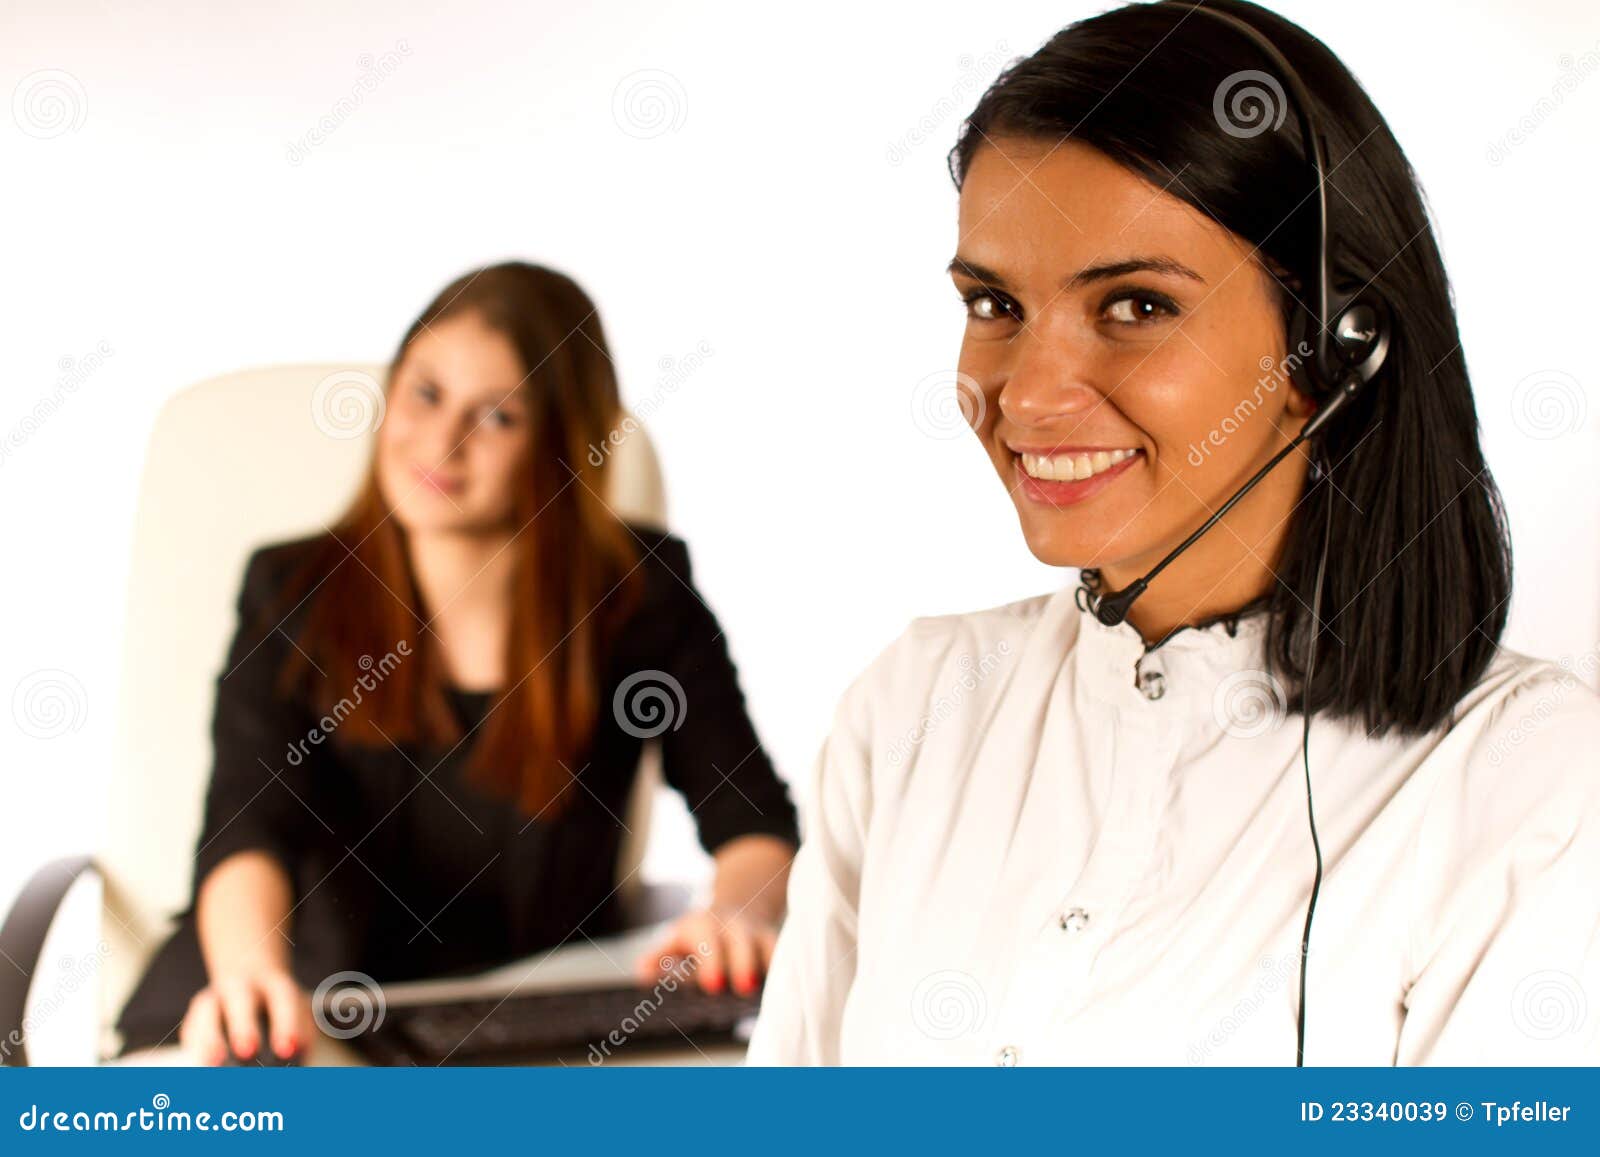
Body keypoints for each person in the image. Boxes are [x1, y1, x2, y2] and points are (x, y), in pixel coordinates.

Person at [747, 0, 1600, 1065]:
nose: (1028, 395)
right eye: (994, 303)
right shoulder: (912, 704)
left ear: (1336, 346)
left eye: (1136, 306)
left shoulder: (1526, 773)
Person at [116, 261, 799, 1064]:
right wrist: (250, 973)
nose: (442, 442)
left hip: (522, 1028)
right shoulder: (290, 589)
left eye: (498, 417)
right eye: (426, 393)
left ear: (562, 447)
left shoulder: (640, 597)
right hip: (302, 1011)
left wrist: (740, 915)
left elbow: (751, 818)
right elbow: (247, 822)